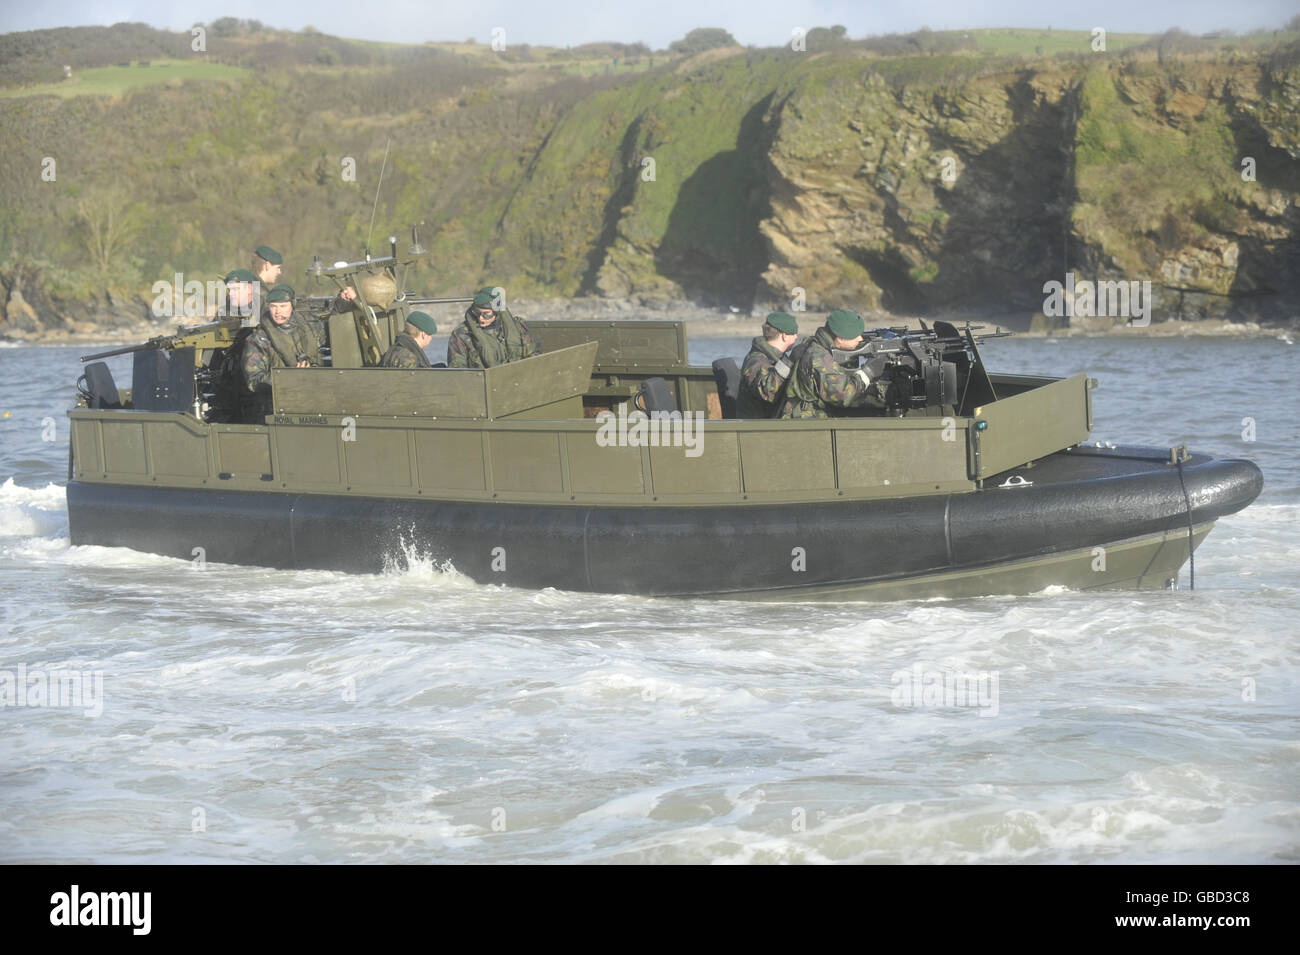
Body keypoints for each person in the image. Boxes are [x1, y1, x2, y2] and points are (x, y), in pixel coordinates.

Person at [778, 308, 885, 419]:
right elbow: (842, 395)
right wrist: (867, 373)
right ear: (840, 339)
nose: (860, 339)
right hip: (808, 422)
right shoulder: (819, 357)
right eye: (854, 336)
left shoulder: (814, 343)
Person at [241, 285, 322, 419]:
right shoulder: (259, 340)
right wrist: (288, 378)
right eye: (273, 306)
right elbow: (254, 381)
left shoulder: (308, 329)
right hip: (276, 407)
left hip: (312, 398)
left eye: (283, 306)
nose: (278, 312)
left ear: (292, 306)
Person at [447, 288, 537, 368]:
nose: (480, 318)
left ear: (496, 311)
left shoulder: (518, 326)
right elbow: (457, 369)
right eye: (476, 313)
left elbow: (533, 357)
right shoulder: (462, 334)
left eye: (486, 314)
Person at [737, 312, 800, 418]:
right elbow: (767, 391)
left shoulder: (777, 357)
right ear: (784, 336)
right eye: (794, 333)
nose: (796, 337)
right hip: (756, 426)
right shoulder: (756, 360)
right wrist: (791, 360)